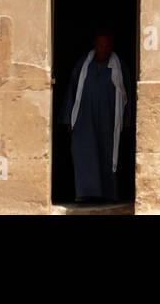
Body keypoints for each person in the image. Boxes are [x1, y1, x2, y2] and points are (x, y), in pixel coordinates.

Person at [60, 27, 130, 202]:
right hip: (84, 119)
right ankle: (86, 194)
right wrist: (69, 118)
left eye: (107, 46)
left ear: (111, 47)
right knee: (85, 153)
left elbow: (127, 96)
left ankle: (108, 195)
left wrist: (127, 122)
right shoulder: (82, 66)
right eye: (100, 46)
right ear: (94, 45)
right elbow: (72, 92)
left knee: (108, 155)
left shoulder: (119, 67)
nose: (103, 50)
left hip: (109, 120)